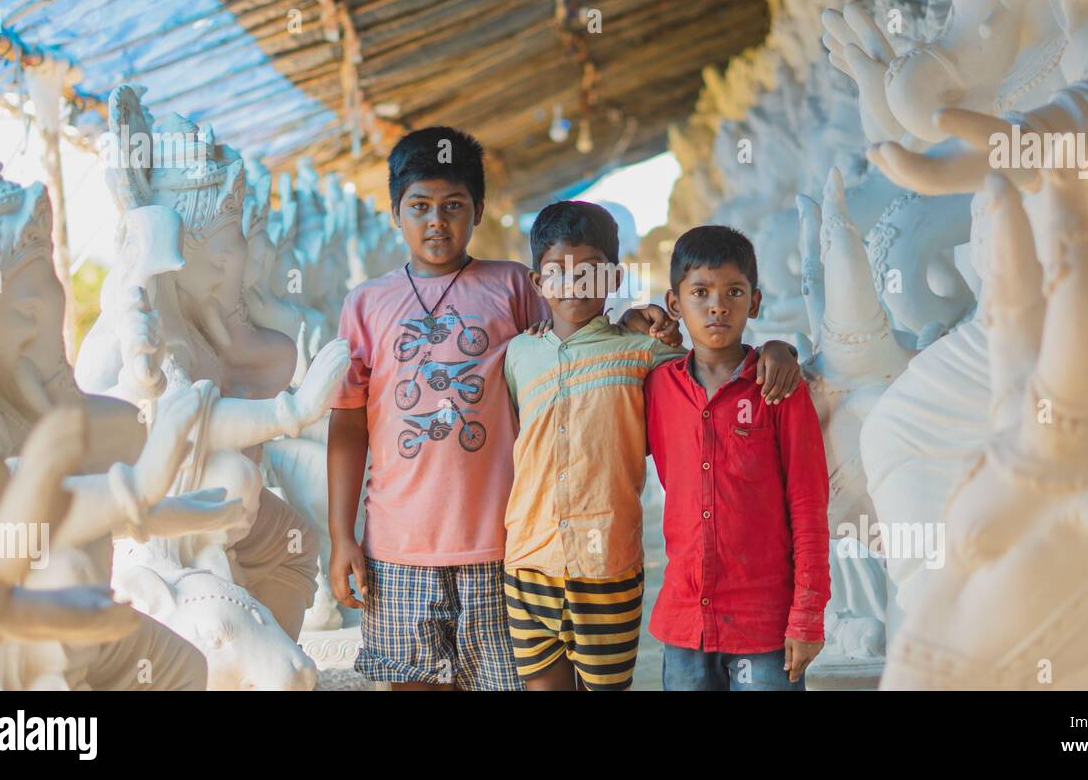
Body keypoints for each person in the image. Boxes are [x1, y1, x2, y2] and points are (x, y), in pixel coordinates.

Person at [325, 129, 683, 690]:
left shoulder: (513, 285)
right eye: (419, 206)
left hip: (504, 547)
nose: (436, 221)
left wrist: (634, 317)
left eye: (453, 206)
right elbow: (347, 422)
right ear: (395, 211)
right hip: (396, 546)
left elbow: (578, 325)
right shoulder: (366, 304)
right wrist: (341, 535)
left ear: (479, 211)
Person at [503, 202, 803, 690]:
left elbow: (716, 369)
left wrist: (777, 348)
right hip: (528, 559)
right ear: (537, 284)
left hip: (608, 565)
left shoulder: (644, 353)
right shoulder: (518, 353)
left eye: (590, 272)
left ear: (614, 278)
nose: (573, 284)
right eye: (556, 273)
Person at [645, 225, 831, 691]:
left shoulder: (778, 387)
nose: (717, 306)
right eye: (700, 293)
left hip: (764, 624)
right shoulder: (656, 386)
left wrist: (807, 615)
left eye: (733, 292)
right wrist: (635, 319)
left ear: (755, 302)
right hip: (685, 621)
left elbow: (808, 503)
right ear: (674, 303)